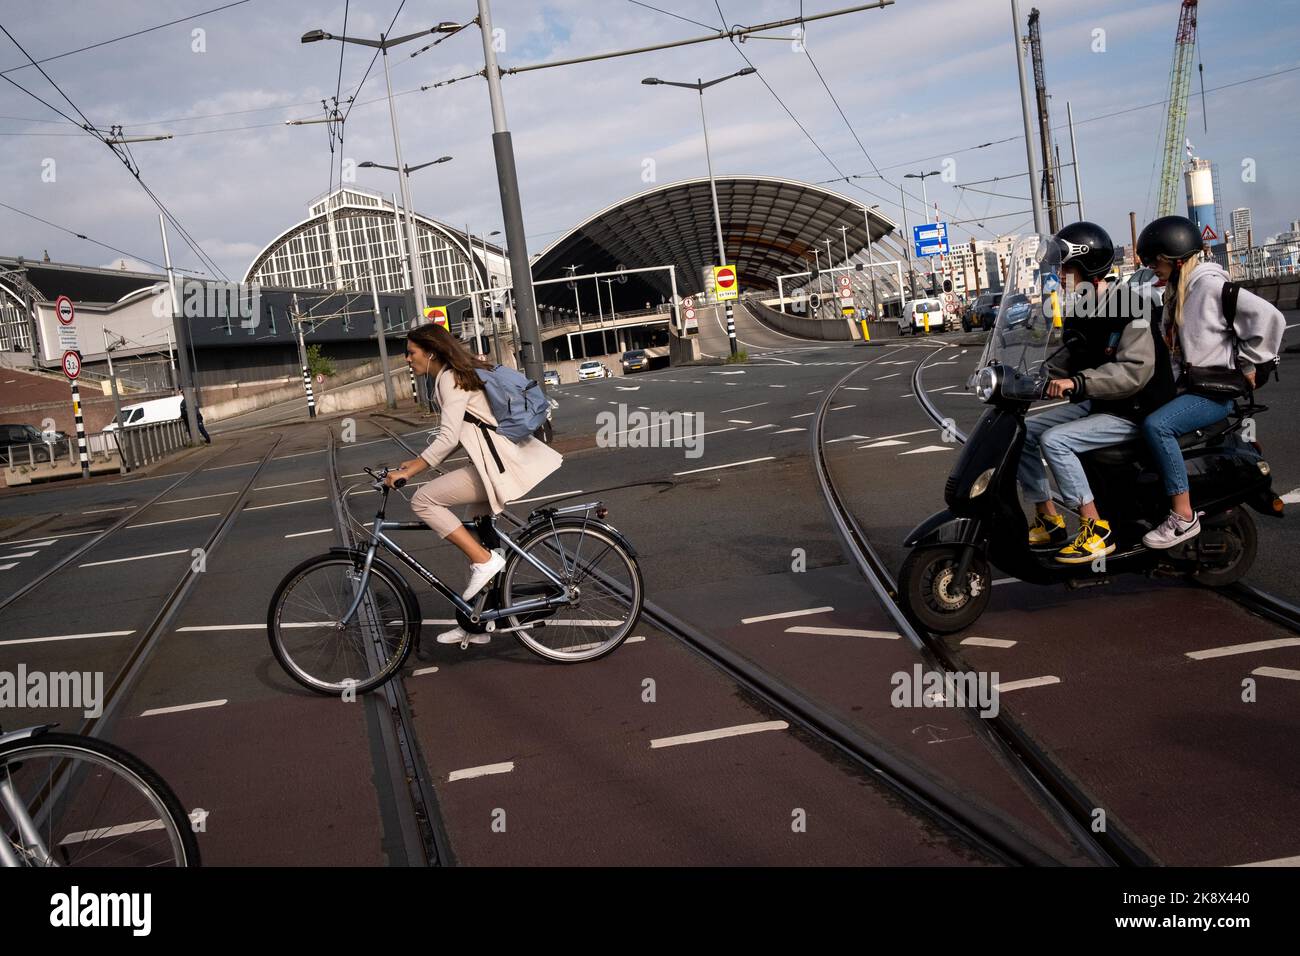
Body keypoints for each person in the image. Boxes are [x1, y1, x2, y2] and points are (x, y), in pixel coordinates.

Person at [384, 324, 563, 646]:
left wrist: (413, 473)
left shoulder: (449, 380)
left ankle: (486, 562)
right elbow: (465, 429)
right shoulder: (454, 376)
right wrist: (416, 463)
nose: (407, 359)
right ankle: (476, 624)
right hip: (491, 462)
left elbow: (448, 436)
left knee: (423, 501)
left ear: (431, 352)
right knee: (477, 534)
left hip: (495, 466)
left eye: (411, 353)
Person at [1018, 221, 1175, 563]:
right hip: (1102, 404)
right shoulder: (1080, 310)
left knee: (1056, 441)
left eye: (1066, 267)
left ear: (1087, 267)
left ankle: (1095, 529)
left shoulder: (1132, 307)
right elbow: (1066, 361)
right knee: (1025, 432)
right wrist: (1022, 378)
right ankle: (1049, 517)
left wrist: (1078, 383)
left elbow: (1134, 372)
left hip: (1135, 408)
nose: (1060, 275)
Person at [1136, 215, 1284, 548]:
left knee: (1157, 427)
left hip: (1212, 393)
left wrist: (1249, 364)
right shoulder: (1178, 291)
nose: (1151, 267)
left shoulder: (1209, 286)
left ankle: (1183, 516)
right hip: (1189, 388)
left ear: (1174, 257)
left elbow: (1270, 318)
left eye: (1154, 260)